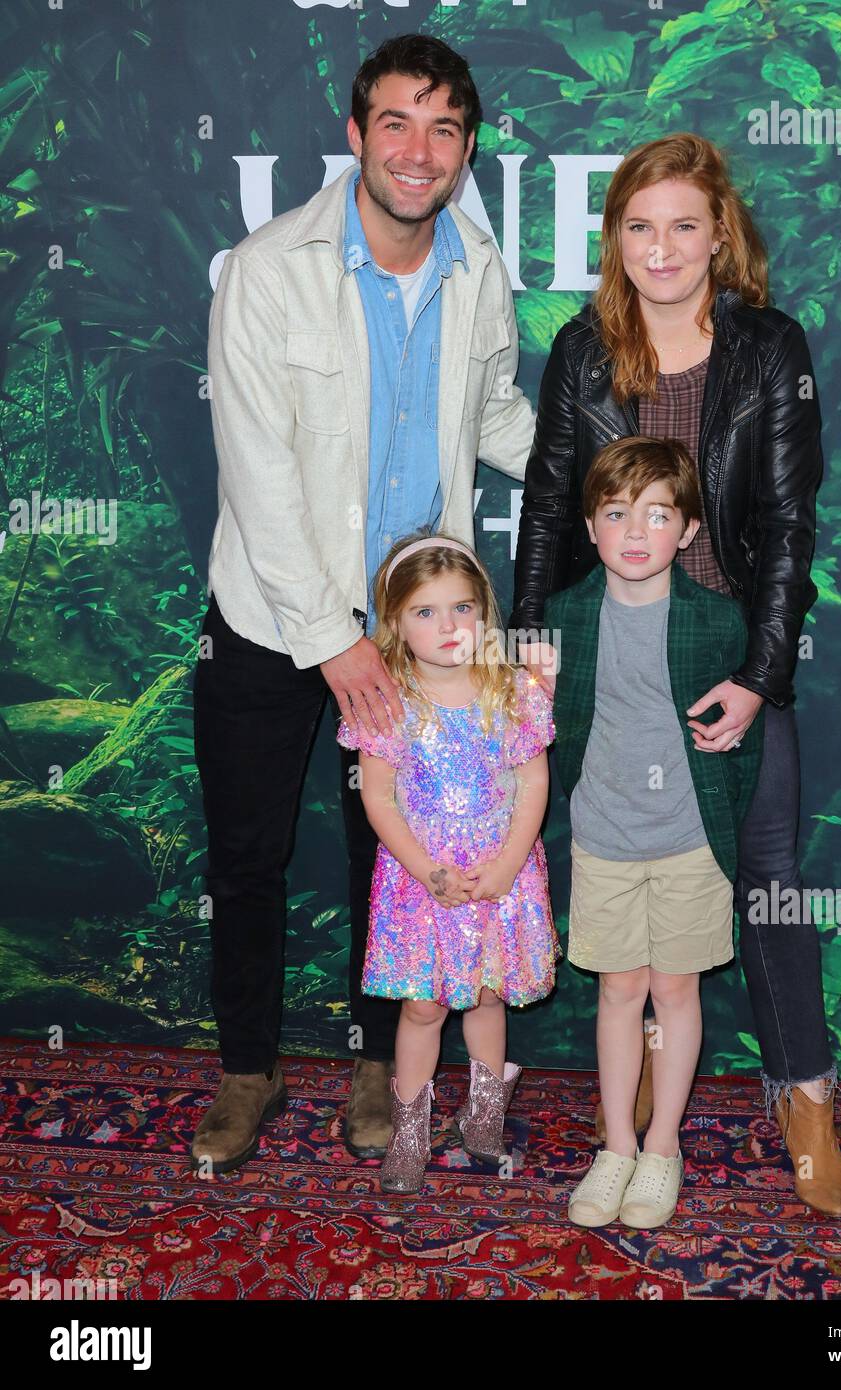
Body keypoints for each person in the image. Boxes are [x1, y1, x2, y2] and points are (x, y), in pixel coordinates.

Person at [191, 34, 537, 1176]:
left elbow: (491, 419)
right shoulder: (263, 269)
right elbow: (257, 475)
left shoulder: (477, 270)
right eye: (396, 121)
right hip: (266, 618)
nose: (417, 149)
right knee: (246, 853)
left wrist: (600, 486)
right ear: (354, 135)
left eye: (442, 128)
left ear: (467, 148)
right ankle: (247, 1066)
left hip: (409, 631)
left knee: (381, 855)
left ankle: (374, 1063)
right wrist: (332, 642)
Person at [511, 133, 841, 1218]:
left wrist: (758, 674)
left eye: (683, 226)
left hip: (727, 657)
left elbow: (792, 525)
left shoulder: (766, 348)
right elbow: (545, 504)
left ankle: (801, 1092)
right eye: (638, 225)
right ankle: (635, 1114)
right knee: (612, 870)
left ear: (719, 238)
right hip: (609, 650)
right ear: (614, 237)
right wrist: (528, 642)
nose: (660, 247)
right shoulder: (580, 350)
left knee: (762, 874)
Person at [542, 437, 762, 1228]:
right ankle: (617, 1147)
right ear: (591, 527)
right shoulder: (564, 616)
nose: (635, 532)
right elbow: (542, 729)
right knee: (616, 991)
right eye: (615, 513)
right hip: (601, 839)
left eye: (657, 515)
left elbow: (740, 736)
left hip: (688, 843)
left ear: (689, 530)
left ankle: (662, 1147)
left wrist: (732, 747)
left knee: (674, 990)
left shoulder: (717, 623)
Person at [335, 533, 560, 1194]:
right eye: (425, 612)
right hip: (420, 878)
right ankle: (408, 1133)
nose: (448, 626)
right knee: (426, 1007)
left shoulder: (514, 690)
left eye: (461, 608)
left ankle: (483, 1117)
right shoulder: (387, 702)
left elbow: (533, 786)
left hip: (500, 871)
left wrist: (508, 863)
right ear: (396, 623)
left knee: (487, 997)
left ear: (483, 613)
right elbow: (377, 798)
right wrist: (427, 870)